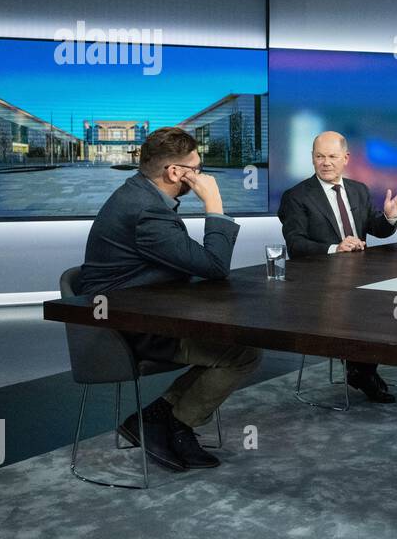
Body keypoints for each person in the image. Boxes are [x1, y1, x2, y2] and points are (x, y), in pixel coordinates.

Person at [78, 126, 262, 473]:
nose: (202, 175)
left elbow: (185, 263)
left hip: (133, 312)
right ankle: (176, 424)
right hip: (128, 329)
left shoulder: (139, 195)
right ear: (175, 172)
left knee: (232, 342)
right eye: (197, 167)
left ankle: (157, 419)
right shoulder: (147, 212)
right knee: (243, 353)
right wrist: (214, 204)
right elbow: (215, 265)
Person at [278, 131, 397, 403]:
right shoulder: (296, 196)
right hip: (319, 283)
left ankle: (360, 367)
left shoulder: (359, 190)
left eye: (332, 156)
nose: (325, 163)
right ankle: (361, 370)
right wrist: (334, 248)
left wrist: (389, 216)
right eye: (319, 157)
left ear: (346, 158)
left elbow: (377, 229)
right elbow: (295, 244)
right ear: (312, 159)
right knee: (364, 309)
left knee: (396, 306)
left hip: (359, 277)